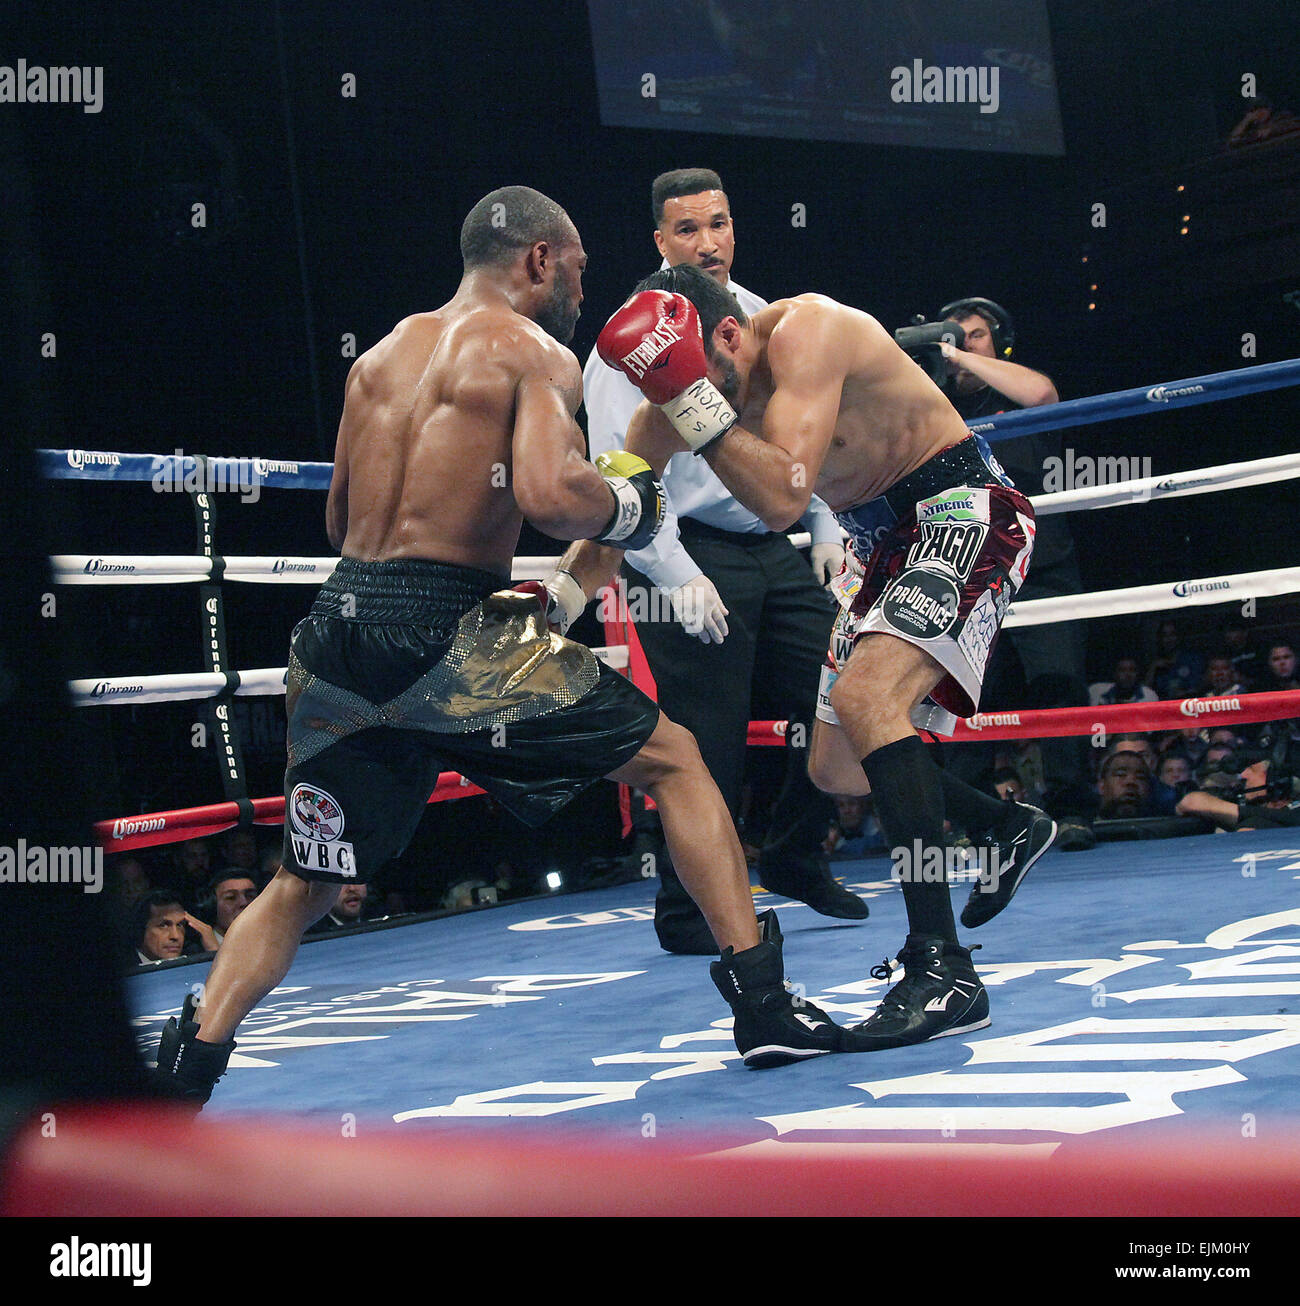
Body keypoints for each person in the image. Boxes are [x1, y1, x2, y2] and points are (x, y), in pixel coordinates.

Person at [153, 187, 842, 1106]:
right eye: (581, 271)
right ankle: (763, 1005)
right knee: (676, 764)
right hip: (450, 633)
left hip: (339, 630)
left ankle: (192, 1060)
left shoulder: (383, 356)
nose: (583, 292)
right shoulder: (534, 352)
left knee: (305, 877)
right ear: (540, 261)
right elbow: (553, 496)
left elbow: (336, 517)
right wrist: (632, 505)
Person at [582, 265, 1059, 1051]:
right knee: (837, 768)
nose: (695, 402)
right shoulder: (675, 401)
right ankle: (1004, 826)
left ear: (729, 334)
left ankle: (943, 971)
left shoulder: (813, 332)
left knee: (872, 702)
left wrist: (691, 401)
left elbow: (779, 501)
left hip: (960, 507)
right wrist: (554, 603)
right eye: (674, 388)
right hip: (881, 543)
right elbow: (618, 522)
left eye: (702, 380)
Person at [583, 167, 864, 953]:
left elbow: (789, 439)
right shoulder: (625, 342)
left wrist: (823, 519)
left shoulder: (758, 316)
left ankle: (797, 851)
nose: (708, 243)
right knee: (705, 739)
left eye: (719, 223)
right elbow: (622, 472)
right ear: (659, 242)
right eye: (687, 229)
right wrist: (674, 573)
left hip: (771, 539)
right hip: (680, 540)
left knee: (840, 686)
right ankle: (686, 914)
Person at [932, 298, 1091, 835]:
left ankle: (1071, 811)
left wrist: (961, 355)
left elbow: (1044, 394)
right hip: (969, 570)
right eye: (955, 336)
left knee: (1058, 682)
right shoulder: (935, 406)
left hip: (1043, 564)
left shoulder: (1018, 393)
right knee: (966, 694)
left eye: (976, 335)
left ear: (996, 342)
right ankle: (978, 821)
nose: (963, 343)